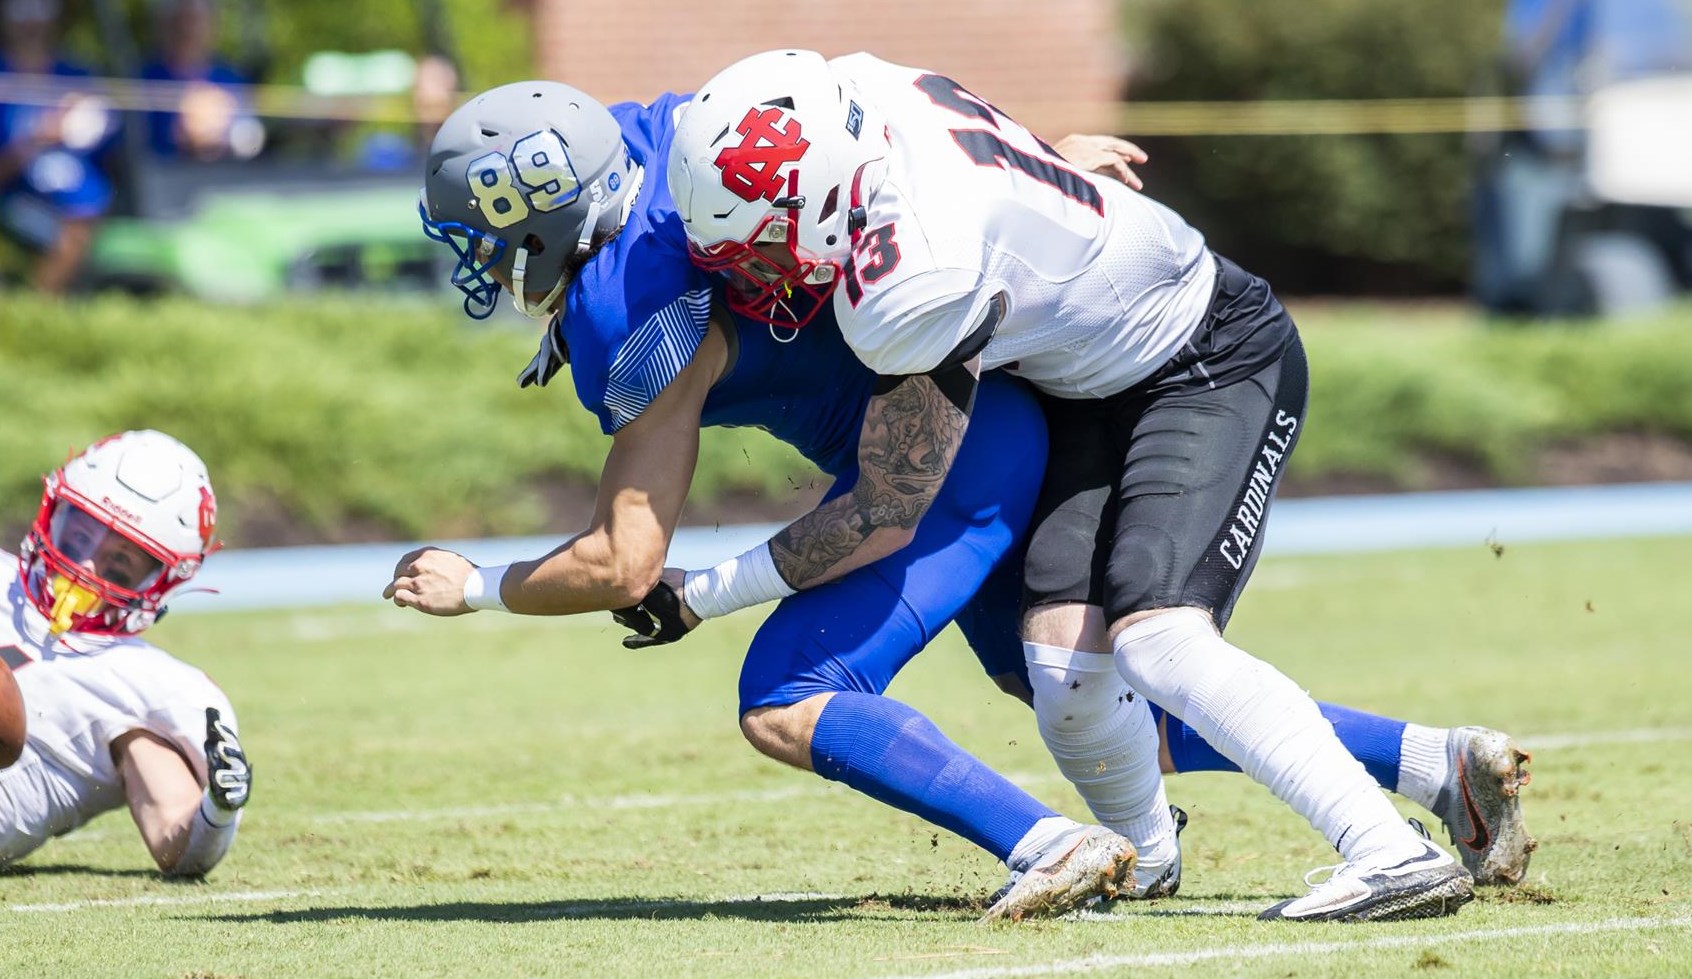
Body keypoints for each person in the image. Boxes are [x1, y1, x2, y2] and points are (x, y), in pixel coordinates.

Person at [400, 82, 1533, 920]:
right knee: (1067, 683)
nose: (728, 264)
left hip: (1054, 405)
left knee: (801, 688)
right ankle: (1427, 765)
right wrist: (1038, 157)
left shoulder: (788, 293)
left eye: (742, 250)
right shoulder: (720, 122)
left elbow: (651, 556)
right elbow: (904, 104)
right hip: (1034, 392)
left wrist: (486, 587)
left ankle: (1060, 843)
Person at [1, 430, 252, 876]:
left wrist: (218, 810)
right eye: (79, 536)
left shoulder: (151, 685)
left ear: (160, 580)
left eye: (120, 564)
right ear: (52, 512)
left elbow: (176, 840)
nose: (87, 565)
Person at [0, 0, 114, 292]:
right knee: (72, 235)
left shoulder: (78, 76)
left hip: (94, 205)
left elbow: (111, 149)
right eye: (21, 11)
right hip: (17, 202)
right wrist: (39, 137)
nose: (31, 22)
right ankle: (39, 313)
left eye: (41, 10)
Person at [137, 0, 262, 162]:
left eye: (196, 20)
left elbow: (253, 142)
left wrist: (225, 133)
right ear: (164, 25)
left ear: (213, 26)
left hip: (220, 181)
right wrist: (179, 132)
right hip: (161, 181)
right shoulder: (142, 78)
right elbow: (126, 147)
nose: (188, 30)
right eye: (181, 20)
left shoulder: (231, 79)